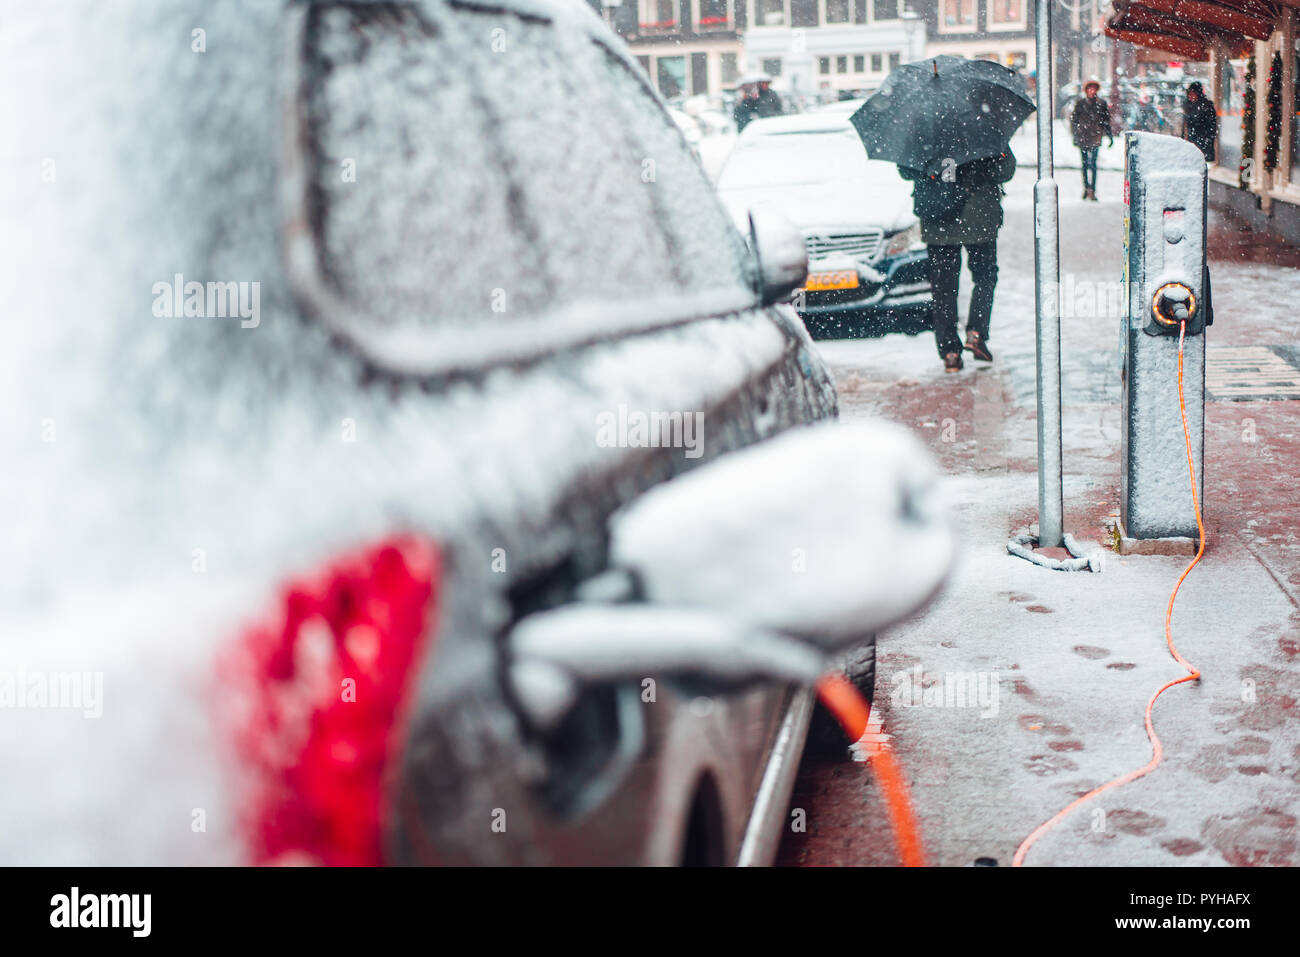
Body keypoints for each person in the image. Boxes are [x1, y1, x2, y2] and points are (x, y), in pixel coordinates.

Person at [899, 149, 1016, 372]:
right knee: (985, 276)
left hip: (939, 217)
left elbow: (906, 171)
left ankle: (950, 352)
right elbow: (1005, 170)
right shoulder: (984, 127)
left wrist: (935, 170)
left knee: (943, 287)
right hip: (978, 216)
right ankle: (976, 332)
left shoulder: (925, 131)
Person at [1070, 79, 1113, 201]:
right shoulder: (1080, 103)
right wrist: (1075, 135)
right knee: (1084, 164)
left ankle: (1092, 189)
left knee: (1093, 164)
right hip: (1083, 136)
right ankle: (1086, 188)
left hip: (1095, 136)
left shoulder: (1101, 103)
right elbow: (1074, 120)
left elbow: (1106, 121)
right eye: (1089, 89)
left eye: (1094, 89)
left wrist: (1109, 136)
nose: (1092, 91)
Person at [1182, 81, 1218, 162]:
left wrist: (1206, 140)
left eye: (1192, 93)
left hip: (1202, 142)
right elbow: (1185, 126)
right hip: (1192, 142)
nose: (1190, 96)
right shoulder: (1188, 107)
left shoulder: (1206, 107)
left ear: (1197, 93)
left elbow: (1211, 126)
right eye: (1189, 94)